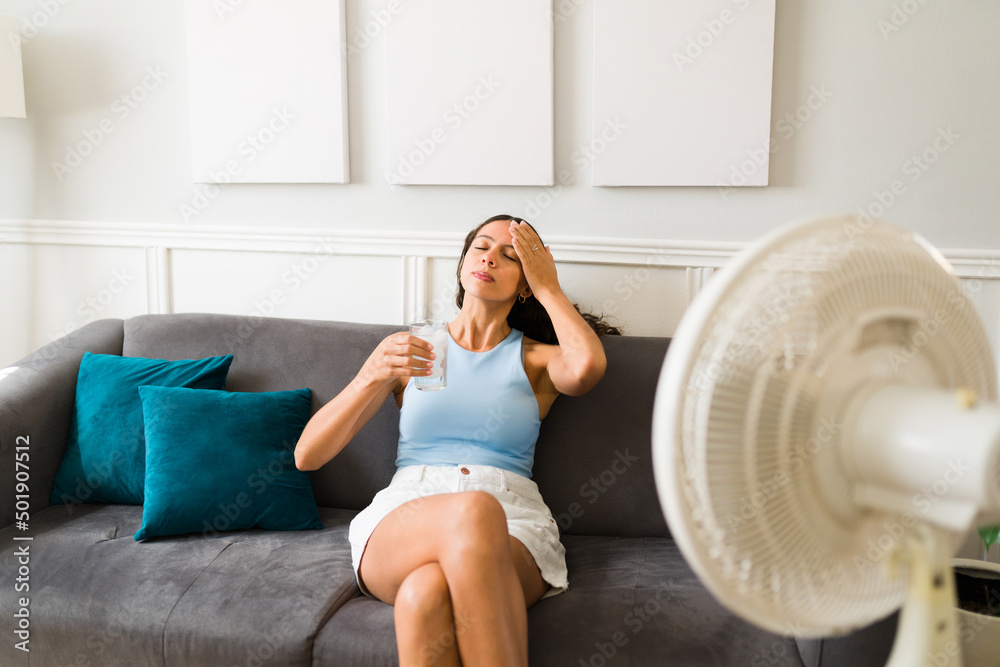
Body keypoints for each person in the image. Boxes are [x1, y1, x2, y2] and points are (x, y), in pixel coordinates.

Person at [295, 215, 620, 666]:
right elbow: (307, 455)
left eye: (510, 256)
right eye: (481, 247)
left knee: (423, 595)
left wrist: (548, 288)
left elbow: (587, 368)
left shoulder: (536, 360)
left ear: (525, 284)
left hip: (512, 517)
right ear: (464, 263)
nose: (490, 258)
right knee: (473, 510)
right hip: (409, 510)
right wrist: (372, 375)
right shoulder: (412, 350)